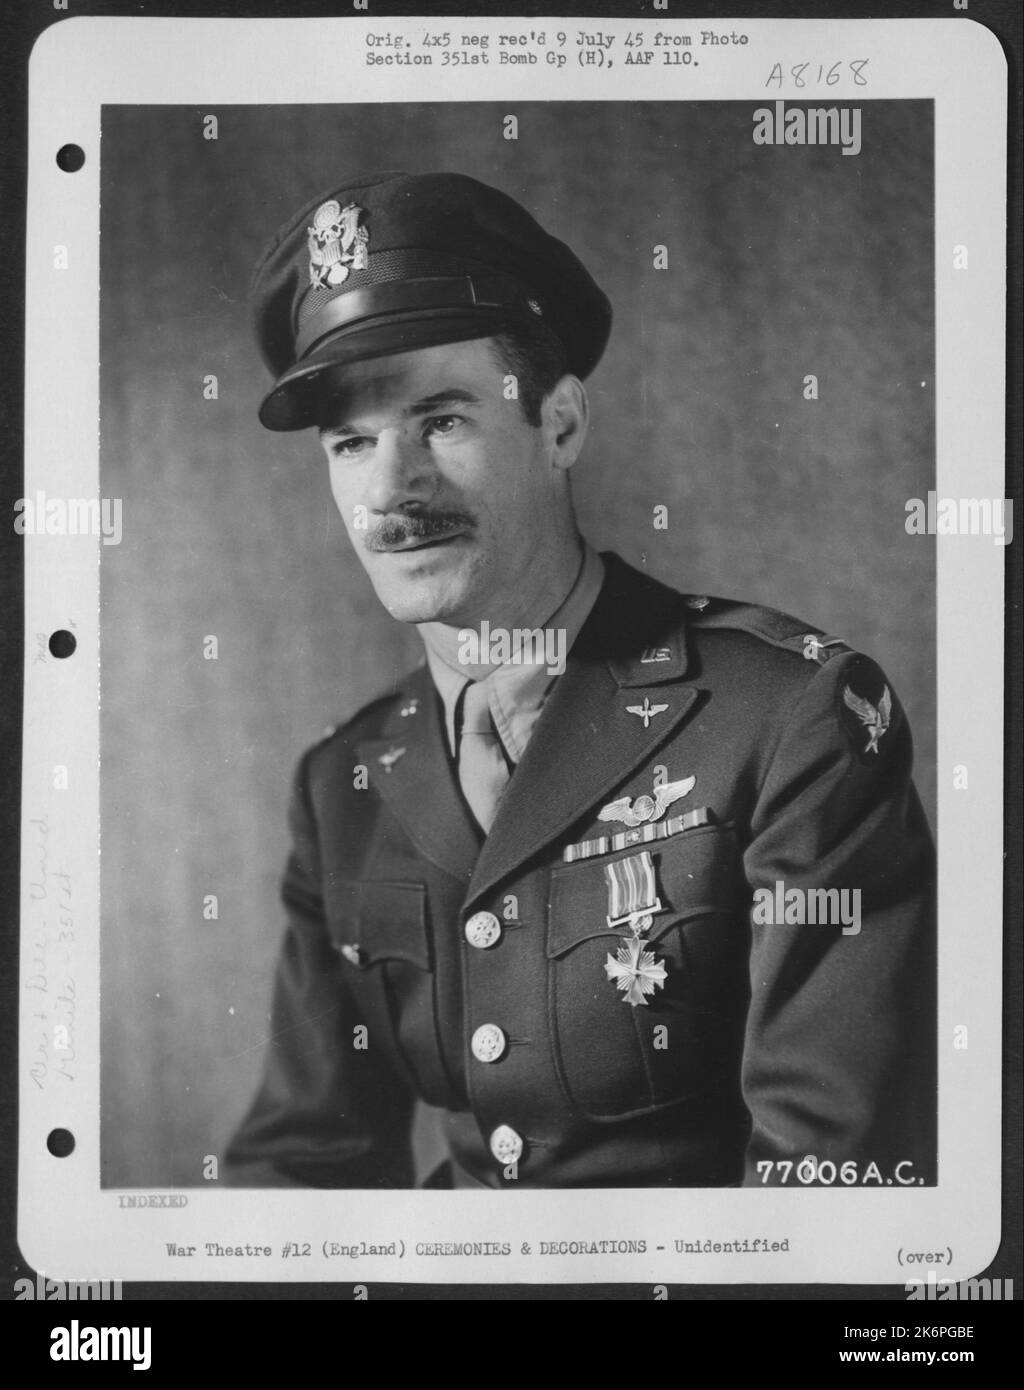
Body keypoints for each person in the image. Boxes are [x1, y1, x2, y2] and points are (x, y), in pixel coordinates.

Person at [225, 171, 935, 1189]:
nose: (390, 489)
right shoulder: (342, 781)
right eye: (351, 443)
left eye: (441, 420)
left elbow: (830, 1183)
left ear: (559, 426)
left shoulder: (788, 719)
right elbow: (300, 1165)